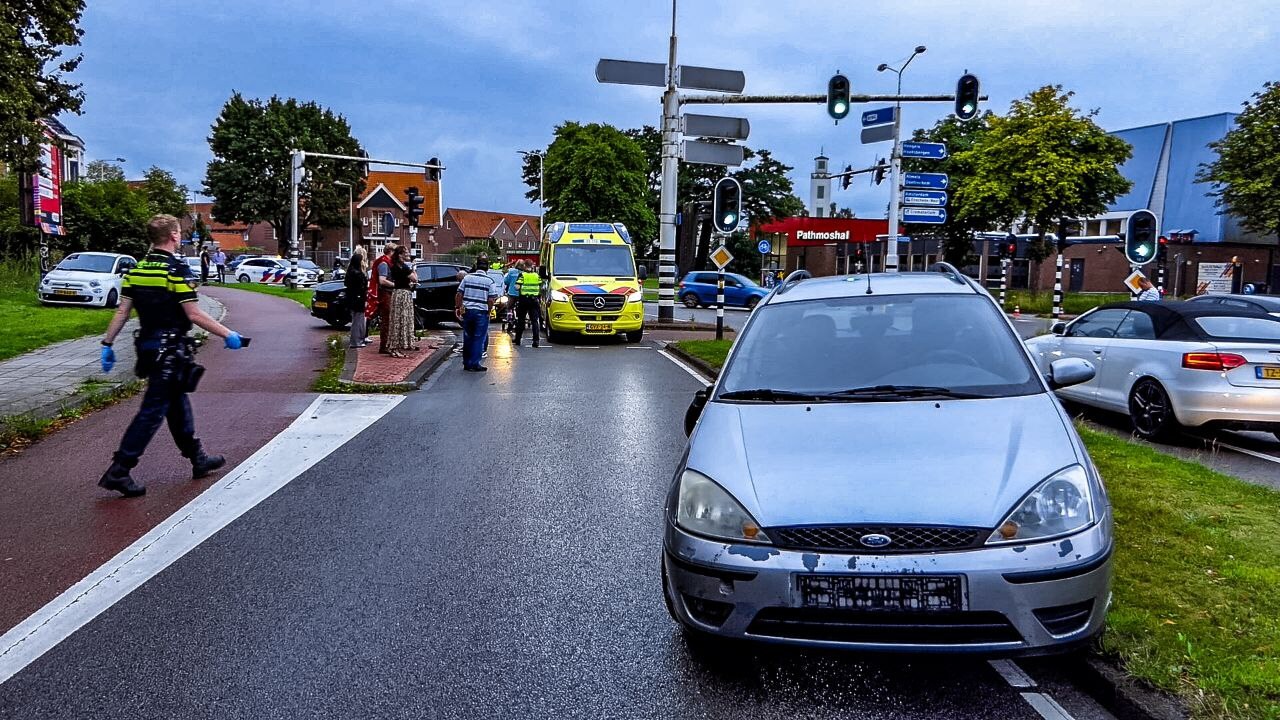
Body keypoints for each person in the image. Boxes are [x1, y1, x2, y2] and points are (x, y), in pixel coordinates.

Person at [96, 215, 244, 498]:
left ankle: (197, 458)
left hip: (149, 348)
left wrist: (108, 343)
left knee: (176, 405)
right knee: (152, 412)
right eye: (179, 232)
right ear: (174, 236)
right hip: (171, 350)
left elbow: (122, 311)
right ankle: (120, 469)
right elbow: (194, 314)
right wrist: (227, 334)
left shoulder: (136, 271)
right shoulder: (175, 271)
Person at [455, 255, 499, 372]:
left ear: (476, 266)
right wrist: (489, 311)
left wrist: (458, 308)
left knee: (468, 336)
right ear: (487, 268)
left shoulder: (467, 278)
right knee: (479, 338)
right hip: (481, 312)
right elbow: (491, 299)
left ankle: (467, 362)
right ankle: (475, 363)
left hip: (468, 311)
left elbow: (459, 294)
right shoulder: (489, 281)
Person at [386, 246, 419, 358]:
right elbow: (415, 279)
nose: (407, 254)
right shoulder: (403, 267)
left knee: (397, 319)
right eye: (405, 253)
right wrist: (414, 268)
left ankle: (394, 346)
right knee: (402, 319)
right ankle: (396, 347)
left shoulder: (395, 266)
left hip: (397, 293)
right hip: (403, 295)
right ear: (400, 255)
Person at [367, 243, 397, 354]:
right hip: (385, 294)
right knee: (387, 319)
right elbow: (382, 280)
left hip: (388, 294)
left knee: (388, 319)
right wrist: (395, 284)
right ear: (391, 252)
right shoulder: (384, 264)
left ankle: (386, 344)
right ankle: (384, 345)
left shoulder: (387, 263)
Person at [345, 247, 369, 348]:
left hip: (352, 298)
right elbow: (362, 287)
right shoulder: (358, 274)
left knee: (356, 319)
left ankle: (357, 340)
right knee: (358, 320)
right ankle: (356, 341)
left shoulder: (350, 271)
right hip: (359, 299)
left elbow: (347, 284)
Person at [514, 260, 542, 348]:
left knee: (521, 320)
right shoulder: (537, 276)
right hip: (534, 300)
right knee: (534, 321)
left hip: (524, 300)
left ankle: (518, 339)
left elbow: (517, 287)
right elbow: (540, 285)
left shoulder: (522, 275)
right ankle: (536, 341)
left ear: (525, 266)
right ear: (532, 266)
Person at [503, 261, 522, 332]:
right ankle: (519, 320)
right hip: (521, 294)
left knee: (509, 307)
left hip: (512, 293)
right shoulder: (524, 273)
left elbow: (506, 281)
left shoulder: (511, 271)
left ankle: (510, 319)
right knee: (520, 308)